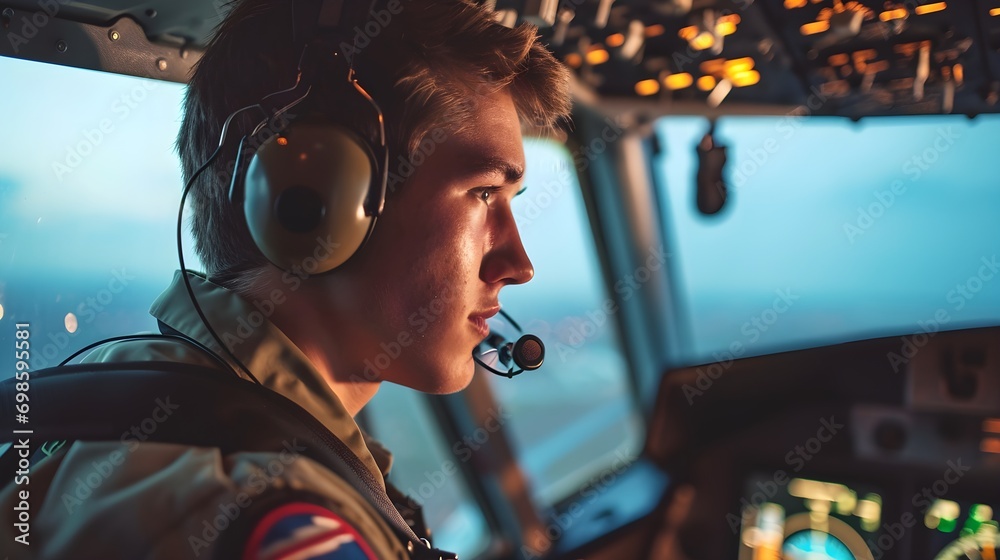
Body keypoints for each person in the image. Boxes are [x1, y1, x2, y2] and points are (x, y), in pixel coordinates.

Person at [0, 0, 571, 558]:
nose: (519, 264)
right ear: (322, 198)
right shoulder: (267, 519)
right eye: (484, 193)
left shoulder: (117, 387)